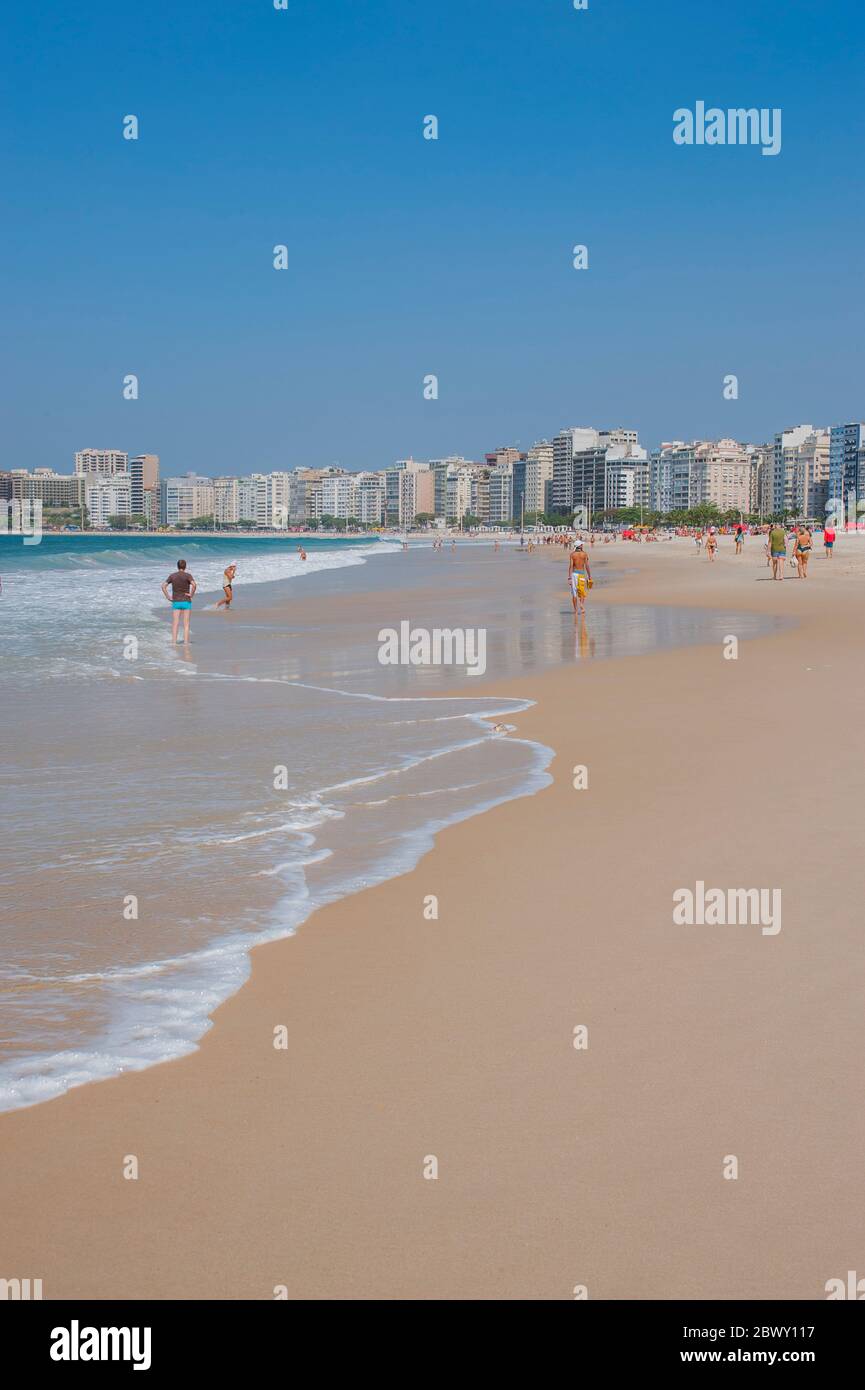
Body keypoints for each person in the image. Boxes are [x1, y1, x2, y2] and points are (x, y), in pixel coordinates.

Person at [162, 559, 197, 642]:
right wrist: (191, 594)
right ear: (185, 566)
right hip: (186, 601)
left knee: (175, 623)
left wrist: (168, 597)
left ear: (177, 566)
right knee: (186, 624)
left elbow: (163, 586)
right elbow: (194, 585)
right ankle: (186, 643)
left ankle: (174, 642)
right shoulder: (188, 575)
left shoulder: (172, 576)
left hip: (176, 601)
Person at [567, 538, 592, 616]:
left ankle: (575, 611)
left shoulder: (572, 554)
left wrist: (569, 578)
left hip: (574, 574)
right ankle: (581, 604)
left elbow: (571, 566)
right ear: (580, 546)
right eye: (582, 544)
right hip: (581, 574)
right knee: (582, 592)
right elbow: (587, 566)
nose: (582, 545)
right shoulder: (584, 554)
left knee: (574, 594)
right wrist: (589, 576)